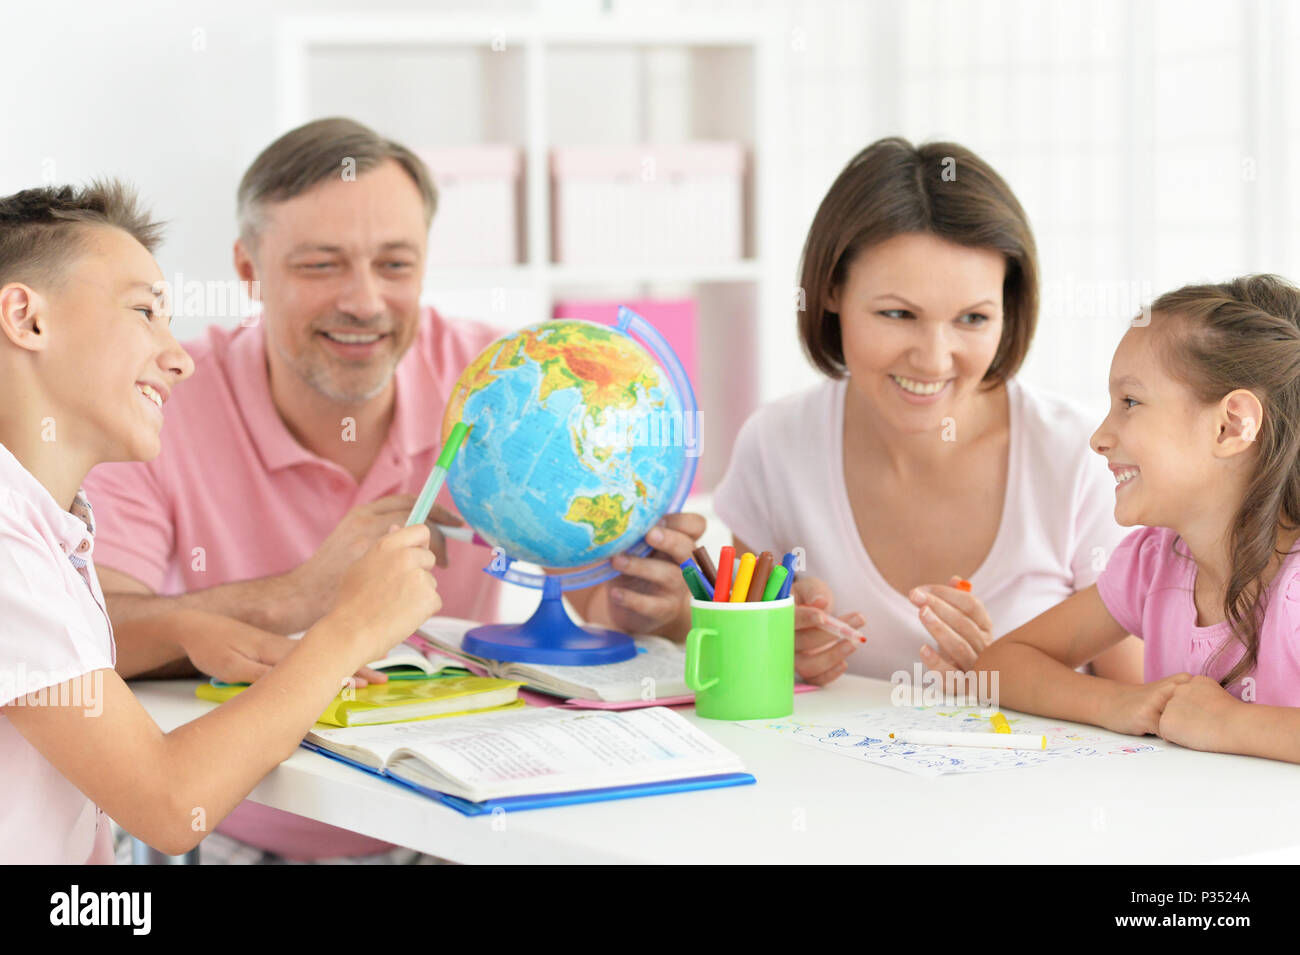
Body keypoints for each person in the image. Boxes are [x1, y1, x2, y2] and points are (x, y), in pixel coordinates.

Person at [83, 118, 704, 862]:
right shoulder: (166, 395)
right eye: (321, 265)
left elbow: (593, 595)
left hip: (448, 829)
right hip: (231, 834)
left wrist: (649, 606)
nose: (365, 301)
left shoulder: (504, 384)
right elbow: (95, 634)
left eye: (396, 264)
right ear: (248, 270)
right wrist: (297, 597)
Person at [0, 180, 441, 863]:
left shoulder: (47, 529)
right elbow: (173, 805)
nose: (179, 356)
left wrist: (202, 630)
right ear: (27, 318)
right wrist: (351, 628)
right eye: (145, 311)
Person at [714, 137, 1142, 686]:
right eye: (897, 313)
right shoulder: (775, 444)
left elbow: (1143, 710)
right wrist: (777, 656)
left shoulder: (1082, 455)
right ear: (831, 291)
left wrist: (1007, 678)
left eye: (972, 319)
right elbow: (744, 678)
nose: (934, 358)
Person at [976, 275, 1300, 762]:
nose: (1099, 437)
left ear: (1231, 425)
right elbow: (1000, 666)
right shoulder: (1153, 562)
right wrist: (1121, 701)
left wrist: (1234, 723)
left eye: (1130, 402)